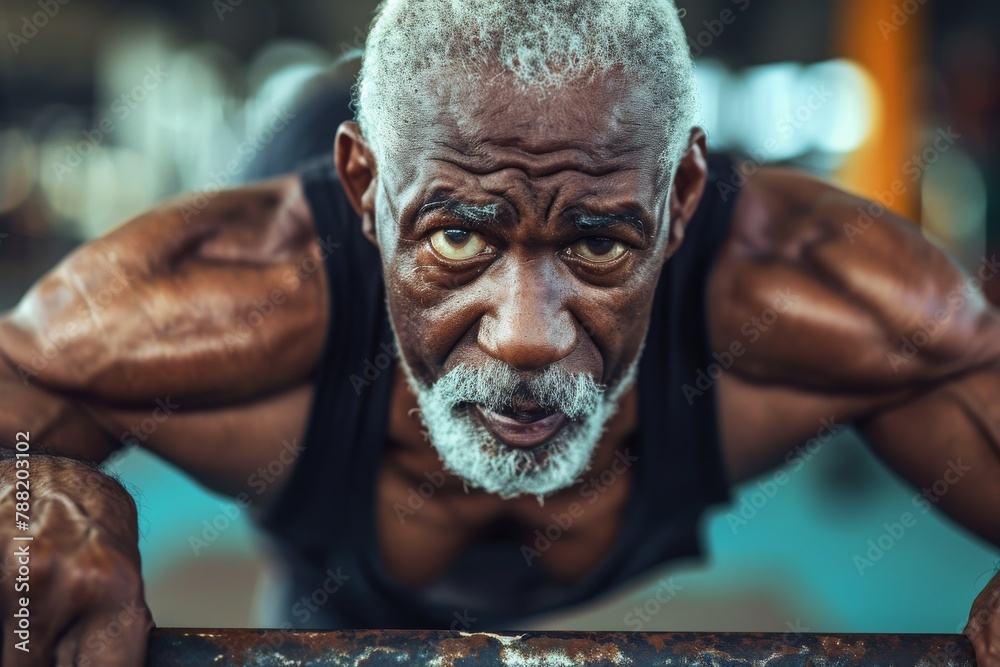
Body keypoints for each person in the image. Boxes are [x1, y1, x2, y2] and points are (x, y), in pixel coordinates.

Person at [1, 0, 998, 665]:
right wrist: (20, 508)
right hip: (327, 216)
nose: (526, 336)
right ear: (365, 190)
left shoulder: (809, 294)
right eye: (457, 239)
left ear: (683, 197)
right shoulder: (225, 305)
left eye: (600, 247)